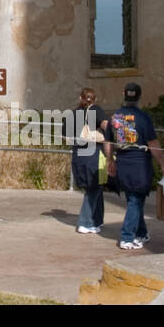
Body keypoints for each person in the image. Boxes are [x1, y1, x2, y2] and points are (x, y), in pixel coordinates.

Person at [103, 82, 164, 250]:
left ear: (124, 95)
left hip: (123, 163)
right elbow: (152, 143)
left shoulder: (115, 117)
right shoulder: (143, 118)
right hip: (140, 165)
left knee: (133, 199)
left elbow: (107, 141)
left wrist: (110, 161)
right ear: (140, 97)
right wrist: (163, 164)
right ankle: (127, 237)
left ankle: (141, 232)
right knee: (136, 200)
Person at [69, 87, 108, 234]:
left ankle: (97, 220)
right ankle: (85, 222)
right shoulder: (96, 110)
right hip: (94, 154)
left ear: (80, 98)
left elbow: (66, 136)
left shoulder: (73, 114)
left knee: (96, 187)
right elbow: (106, 126)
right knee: (94, 187)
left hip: (78, 156)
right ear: (95, 99)